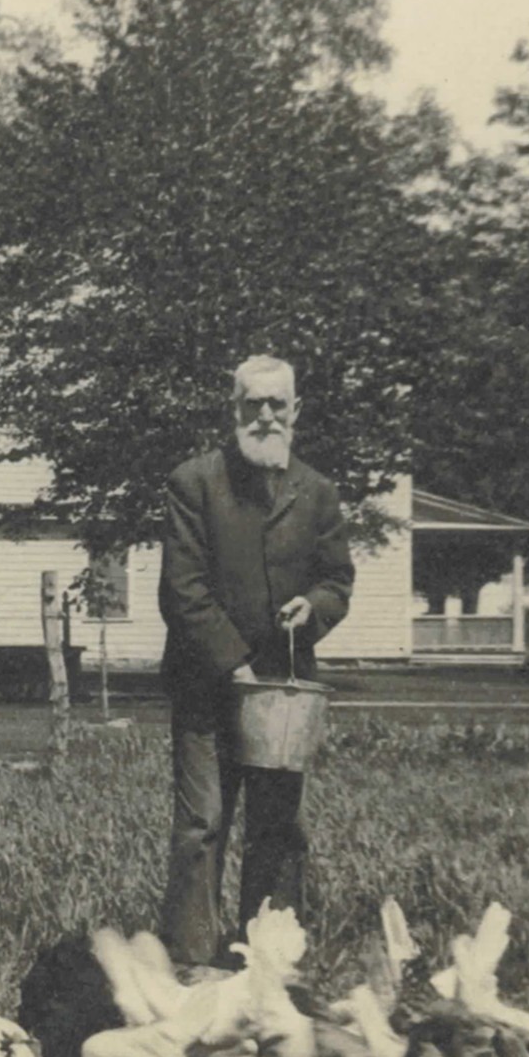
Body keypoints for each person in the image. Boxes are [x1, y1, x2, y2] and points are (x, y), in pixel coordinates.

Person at [157, 355, 355, 965]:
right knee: (203, 825)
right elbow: (182, 589)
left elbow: (337, 580)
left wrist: (313, 607)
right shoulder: (195, 482)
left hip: (282, 693)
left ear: (296, 410)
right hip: (207, 689)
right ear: (233, 409)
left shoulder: (317, 492)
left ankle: (267, 965)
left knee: (278, 828)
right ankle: (190, 966)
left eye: (277, 404)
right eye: (253, 404)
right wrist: (232, 663)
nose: (265, 416)